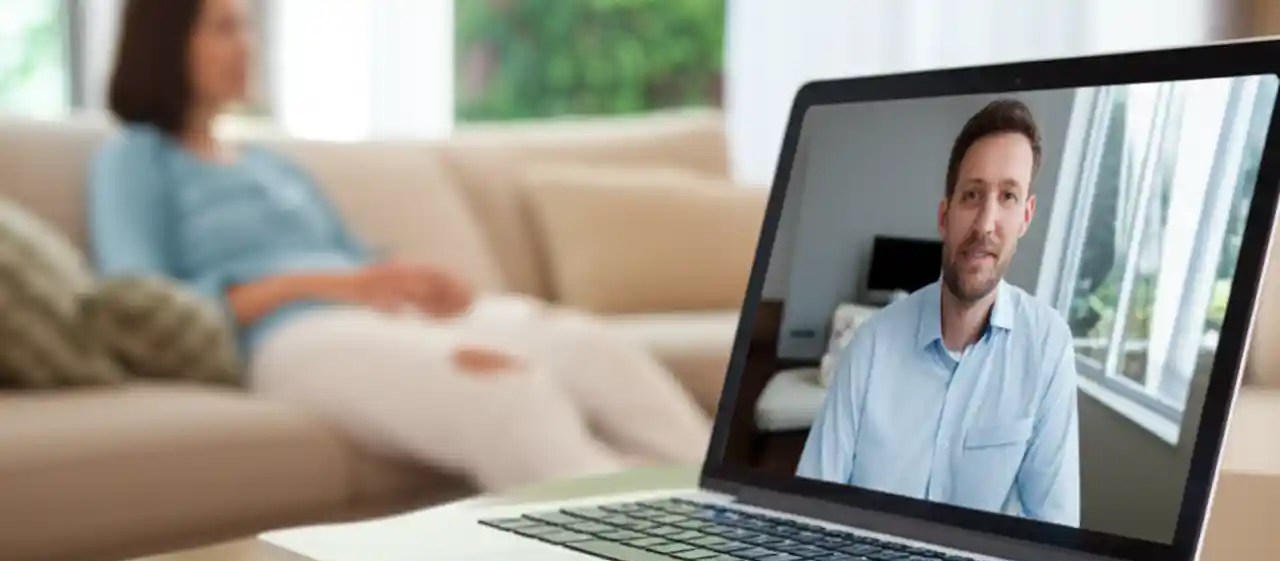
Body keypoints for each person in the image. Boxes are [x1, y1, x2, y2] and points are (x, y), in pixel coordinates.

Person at [89, 0, 710, 491]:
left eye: (247, 27)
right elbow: (141, 300)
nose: (246, 45)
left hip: (378, 315)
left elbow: (352, 259)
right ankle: (640, 542)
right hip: (291, 337)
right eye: (223, 28)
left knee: (589, 345)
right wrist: (329, 287)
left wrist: (408, 281)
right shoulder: (134, 157)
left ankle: (746, 509)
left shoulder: (270, 164)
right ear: (167, 43)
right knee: (503, 387)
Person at [796, 99, 1080, 526]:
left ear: (1026, 216)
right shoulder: (872, 345)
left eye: (1007, 196)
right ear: (945, 215)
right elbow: (810, 513)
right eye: (972, 195)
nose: (985, 223)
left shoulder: (1047, 346)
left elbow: (1055, 529)